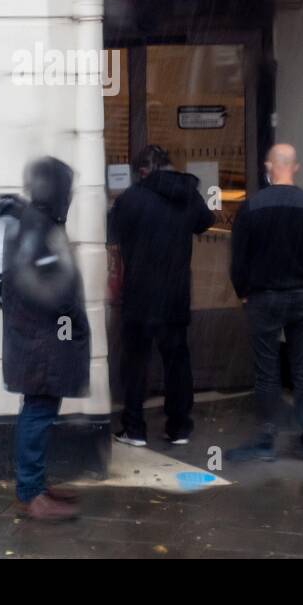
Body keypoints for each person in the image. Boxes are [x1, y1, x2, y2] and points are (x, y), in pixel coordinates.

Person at [226, 144, 303, 462]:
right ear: (296, 167)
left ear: (269, 166)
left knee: (267, 372)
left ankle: (266, 439)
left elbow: (239, 260)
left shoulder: (252, 207)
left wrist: (243, 290)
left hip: (264, 298)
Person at [2, 156, 92, 522]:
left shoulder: (34, 223)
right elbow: (45, 290)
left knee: (38, 411)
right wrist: (71, 314)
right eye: (65, 188)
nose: (68, 196)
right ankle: (30, 494)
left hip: (39, 341)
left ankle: (34, 485)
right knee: (37, 414)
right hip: (41, 344)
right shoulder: (37, 227)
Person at [107, 144, 214, 447]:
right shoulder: (188, 194)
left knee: (136, 364)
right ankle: (179, 427)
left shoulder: (132, 198)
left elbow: (112, 233)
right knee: (177, 362)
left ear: (143, 170)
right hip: (175, 293)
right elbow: (206, 222)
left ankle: (135, 428)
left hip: (140, 294)